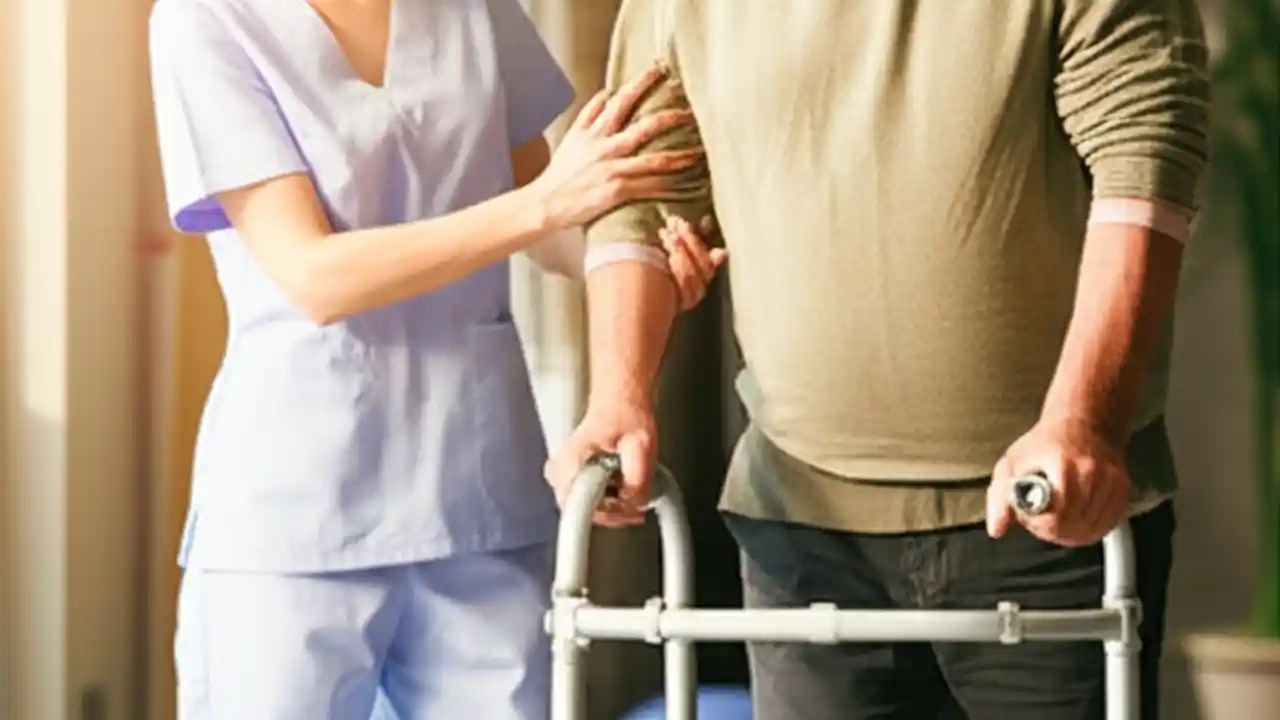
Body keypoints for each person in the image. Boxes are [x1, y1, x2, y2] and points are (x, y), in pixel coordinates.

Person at [546, 1, 1208, 718]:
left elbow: (1145, 161)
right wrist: (618, 395)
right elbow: (637, 192)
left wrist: (1085, 420)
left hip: (1042, 519)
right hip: (799, 520)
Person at [147, 0, 725, 717]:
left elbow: (554, 229)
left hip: (479, 494)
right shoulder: (207, 19)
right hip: (297, 509)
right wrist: (548, 204)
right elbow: (315, 277)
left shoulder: (472, 9)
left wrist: (638, 264)